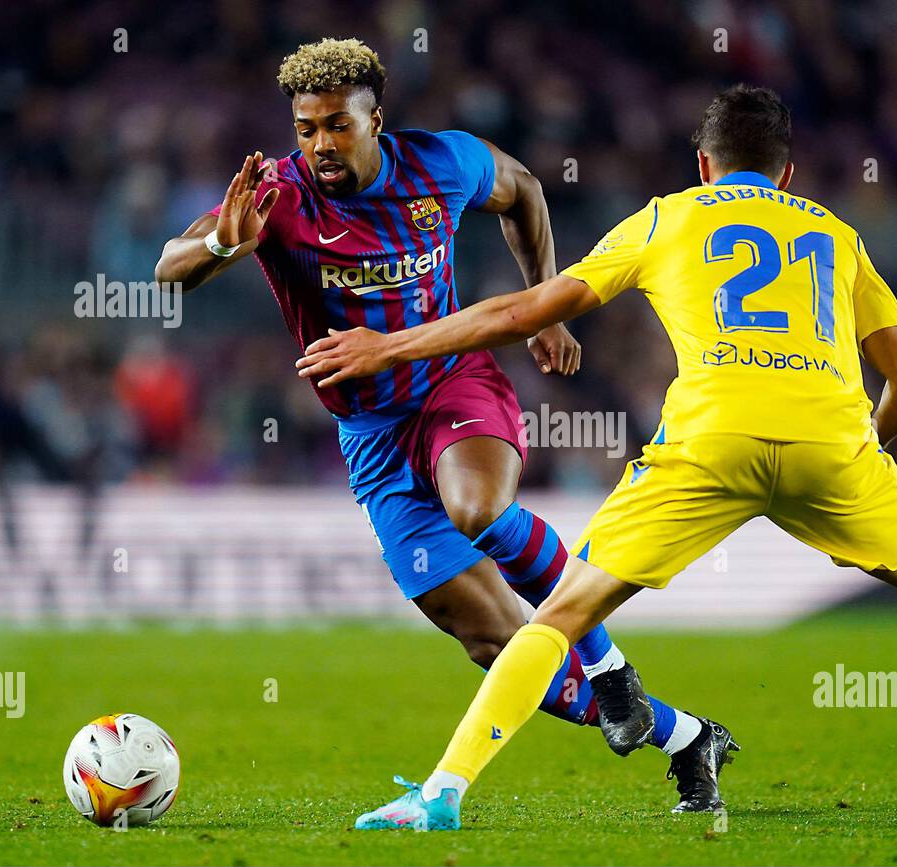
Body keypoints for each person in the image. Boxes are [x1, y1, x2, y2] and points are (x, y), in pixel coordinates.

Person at [300, 85, 897, 833]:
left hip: (710, 442)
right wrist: (850, 457)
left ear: (704, 164)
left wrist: (391, 345)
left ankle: (443, 796)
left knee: (561, 618)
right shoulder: (836, 233)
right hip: (833, 441)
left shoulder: (672, 216)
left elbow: (526, 310)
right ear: (785, 174)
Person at [154, 38, 736, 819]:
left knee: (476, 508)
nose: (320, 145)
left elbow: (525, 189)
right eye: (304, 128)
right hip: (371, 437)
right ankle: (685, 736)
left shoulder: (442, 164)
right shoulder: (278, 197)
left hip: (454, 385)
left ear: (376, 120)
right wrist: (225, 242)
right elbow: (169, 268)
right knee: (498, 648)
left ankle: (609, 667)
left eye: (336, 125)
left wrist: (541, 305)